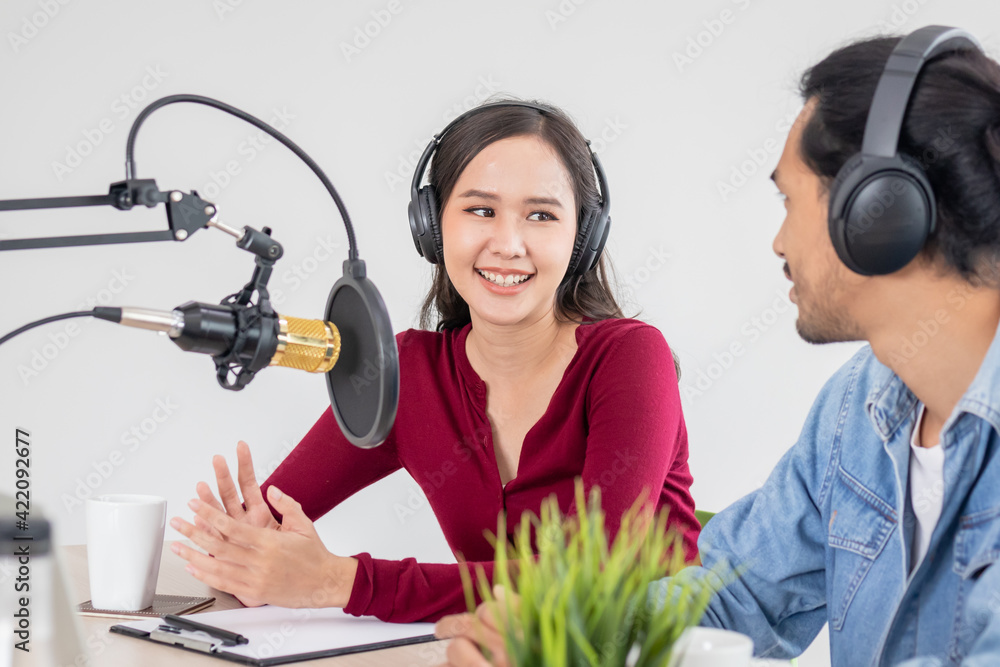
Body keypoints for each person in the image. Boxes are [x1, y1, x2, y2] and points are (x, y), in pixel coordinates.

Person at [437, 26, 1000, 665]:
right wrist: (555, 633)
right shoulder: (860, 407)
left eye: (791, 201)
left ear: (881, 214)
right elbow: (737, 594)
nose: (778, 242)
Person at [168, 100, 700, 623]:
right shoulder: (408, 374)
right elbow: (272, 519)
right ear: (431, 226)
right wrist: (249, 552)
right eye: (480, 210)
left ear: (583, 237)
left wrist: (339, 581)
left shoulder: (630, 357)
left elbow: (593, 578)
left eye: (541, 215)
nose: (508, 244)